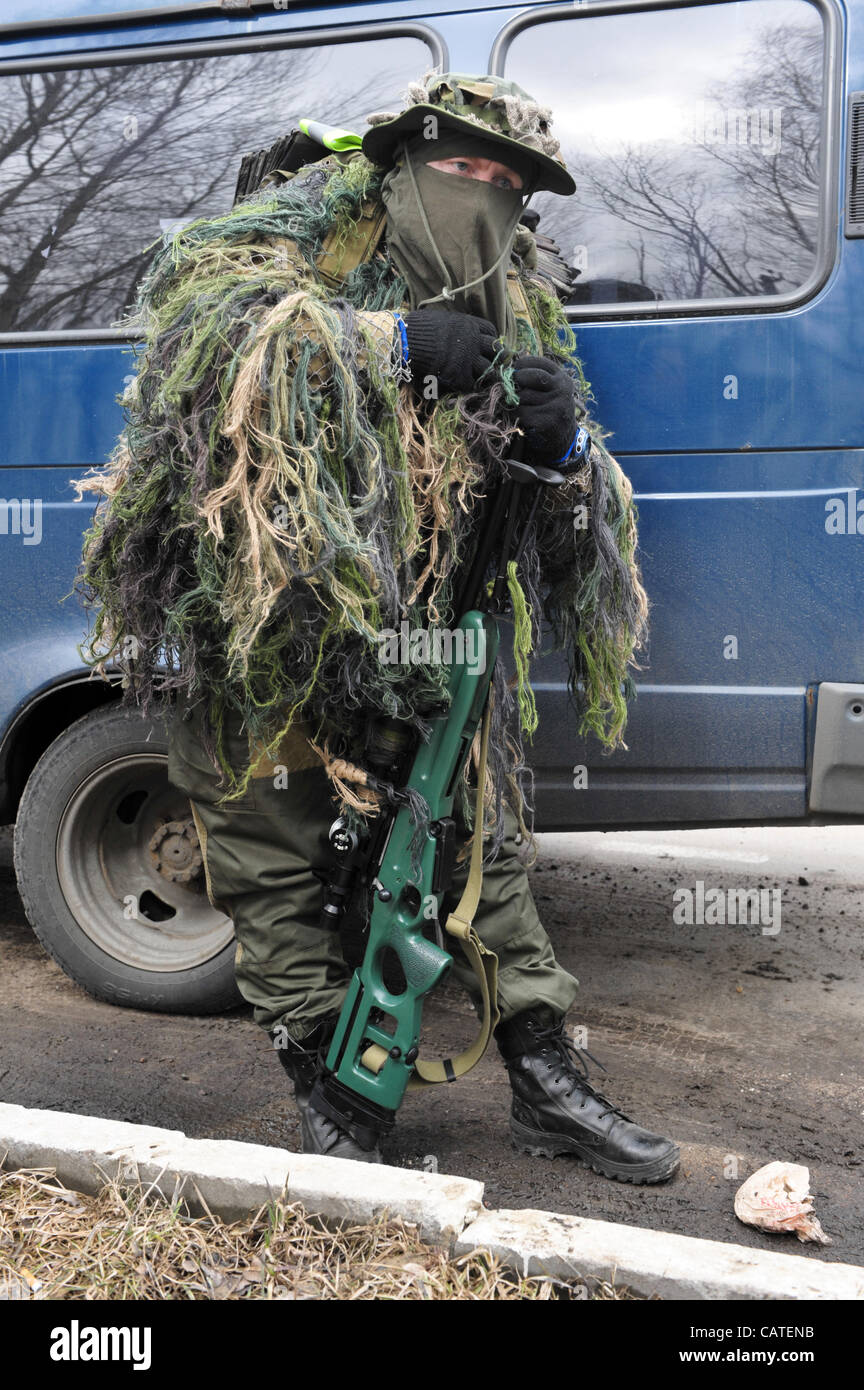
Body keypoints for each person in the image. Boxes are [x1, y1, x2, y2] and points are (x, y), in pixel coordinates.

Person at [77, 72, 679, 1182]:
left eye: (509, 183)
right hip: (270, 621)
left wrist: (564, 455)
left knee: (477, 856)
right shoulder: (294, 236)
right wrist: (388, 348)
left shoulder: (523, 300)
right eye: (463, 170)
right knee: (272, 854)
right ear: (404, 162)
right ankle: (334, 1097)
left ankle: (548, 1078)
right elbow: (202, 362)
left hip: (436, 628)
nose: (484, 196)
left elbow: (562, 536)